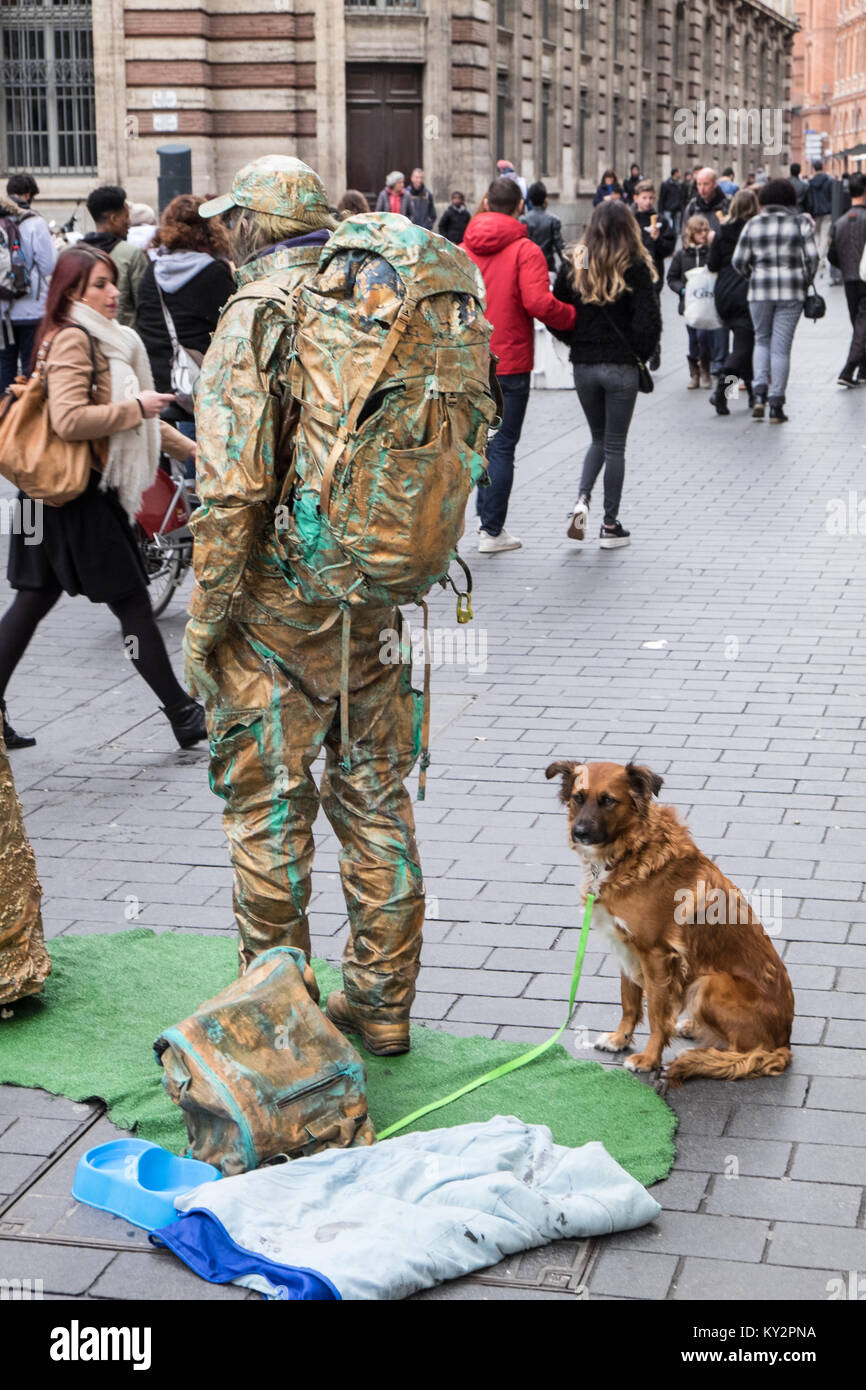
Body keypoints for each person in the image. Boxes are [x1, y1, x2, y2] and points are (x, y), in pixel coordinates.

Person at [183, 154, 427, 1054]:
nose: (220, 234)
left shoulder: (253, 316)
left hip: (277, 612)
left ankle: (283, 1025)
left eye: (228, 221)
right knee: (374, 800)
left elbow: (235, 491)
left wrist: (206, 624)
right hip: (371, 598)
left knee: (269, 810)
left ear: (251, 226)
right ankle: (383, 1004)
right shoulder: (369, 302)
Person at [0, 245, 203, 752]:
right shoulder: (76, 339)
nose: (113, 293)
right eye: (99, 285)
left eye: (113, 282)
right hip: (74, 499)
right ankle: (182, 713)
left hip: (41, 496)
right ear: (73, 291)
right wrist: (135, 406)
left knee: (31, 603)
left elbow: (140, 423)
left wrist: (197, 449)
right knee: (132, 606)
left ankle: (182, 713)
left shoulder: (93, 338)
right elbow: (71, 421)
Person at [461, 177, 576, 553]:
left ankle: (448, 534)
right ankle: (491, 532)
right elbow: (539, 304)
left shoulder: (462, 248)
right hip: (508, 363)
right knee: (502, 446)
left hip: (465, 362)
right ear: (519, 206)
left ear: (485, 202)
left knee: (465, 447)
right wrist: (574, 317)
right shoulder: (525, 250)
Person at [551, 200, 660, 549]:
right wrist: (638, 354)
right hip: (620, 367)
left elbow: (560, 308)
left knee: (597, 439)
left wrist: (575, 340)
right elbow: (649, 321)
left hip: (584, 365)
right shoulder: (634, 264)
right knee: (615, 446)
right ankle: (610, 526)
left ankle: (582, 499)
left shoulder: (579, 259)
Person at [135, 195, 235, 453]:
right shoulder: (215, 272)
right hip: (202, 383)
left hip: (156, 380)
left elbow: (144, 323)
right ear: (209, 228)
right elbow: (231, 327)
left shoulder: (152, 271)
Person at [732, 178, 819, 423]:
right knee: (781, 348)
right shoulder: (799, 223)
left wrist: (753, 275)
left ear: (764, 200)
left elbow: (738, 261)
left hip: (759, 291)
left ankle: (759, 394)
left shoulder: (753, 224)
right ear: (791, 200)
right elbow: (813, 257)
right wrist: (804, 279)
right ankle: (777, 405)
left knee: (761, 340)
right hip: (792, 293)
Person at [0, 175, 58, 392]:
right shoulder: (35, 222)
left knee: (4, 367)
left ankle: (4, 418)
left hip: (3, 309)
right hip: (31, 309)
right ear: (28, 195)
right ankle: (26, 419)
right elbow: (49, 266)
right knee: (30, 368)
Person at [707, 187, 760, 414]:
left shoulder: (723, 230)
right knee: (742, 348)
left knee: (744, 344)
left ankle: (750, 396)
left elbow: (711, 264)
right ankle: (721, 392)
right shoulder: (755, 230)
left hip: (724, 292)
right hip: (745, 291)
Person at [81, 186, 149, 328]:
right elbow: (145, 304)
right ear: (114, 219)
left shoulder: (73, 253)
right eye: (126, 217)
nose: (129, 223)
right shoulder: (132, 254)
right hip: (123, 340)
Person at [667, 215, 715, 389]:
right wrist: (682, 289)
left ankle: (706, 369)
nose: (703, 234)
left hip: (707, 303)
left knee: (704, 336)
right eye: (699, 231)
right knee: (693, 337)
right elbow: (672, 277)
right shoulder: (682, 255)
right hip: (689, 305)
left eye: (705, 230)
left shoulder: (710, 252)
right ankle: (694, 371)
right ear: (691, 233)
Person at [827, 171, 866, 386]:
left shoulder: (839, 223)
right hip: (865, 279)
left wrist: (845, 267)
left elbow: (831, 255)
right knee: (862, 326)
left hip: (849, 280)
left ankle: (863, 368)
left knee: (859, 324)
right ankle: (849, 369)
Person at [631, 181, 674, 370]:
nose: (648, 202)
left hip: (654, 276)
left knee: (653, 312)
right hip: (632, 274)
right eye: (644, 198)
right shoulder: (629, 220)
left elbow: (669, 248)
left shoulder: (661, 220)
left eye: (650, 198)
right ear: (636, 198)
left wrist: (658, 240)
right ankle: (638, 352)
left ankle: (655, 347)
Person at [522, 181, 565, 271]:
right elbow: (560, 248)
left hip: (529, 267)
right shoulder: (553, 220)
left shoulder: (523, 220)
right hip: (548, 267)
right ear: (545, 199)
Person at [804, 160, 835, 274]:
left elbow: (809, 199)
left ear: (813, 168)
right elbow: (832, 196)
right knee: (824, 236)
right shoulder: (829, 181)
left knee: (816, 236)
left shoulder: (810, 183)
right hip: (827, 212)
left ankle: (817, 258)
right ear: (822, 167)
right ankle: (820, 260)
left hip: (814, 212)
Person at [683, 167, 730, 233]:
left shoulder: (728, 205)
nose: (702, 189)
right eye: (699, 184)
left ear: (715, 184)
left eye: (706, 184)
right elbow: (686, 235)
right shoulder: (692, 207)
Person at [659, 167, 686, 238]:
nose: (680, 174)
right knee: (667, 228)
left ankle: (674, 246)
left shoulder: (679, 184)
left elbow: (682, 197)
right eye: (679, 172)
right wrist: (660, 211)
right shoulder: (666, 184)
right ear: (676, 173)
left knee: (676, 230)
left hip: (677, 210)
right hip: (668, 209)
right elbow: (662, 198)